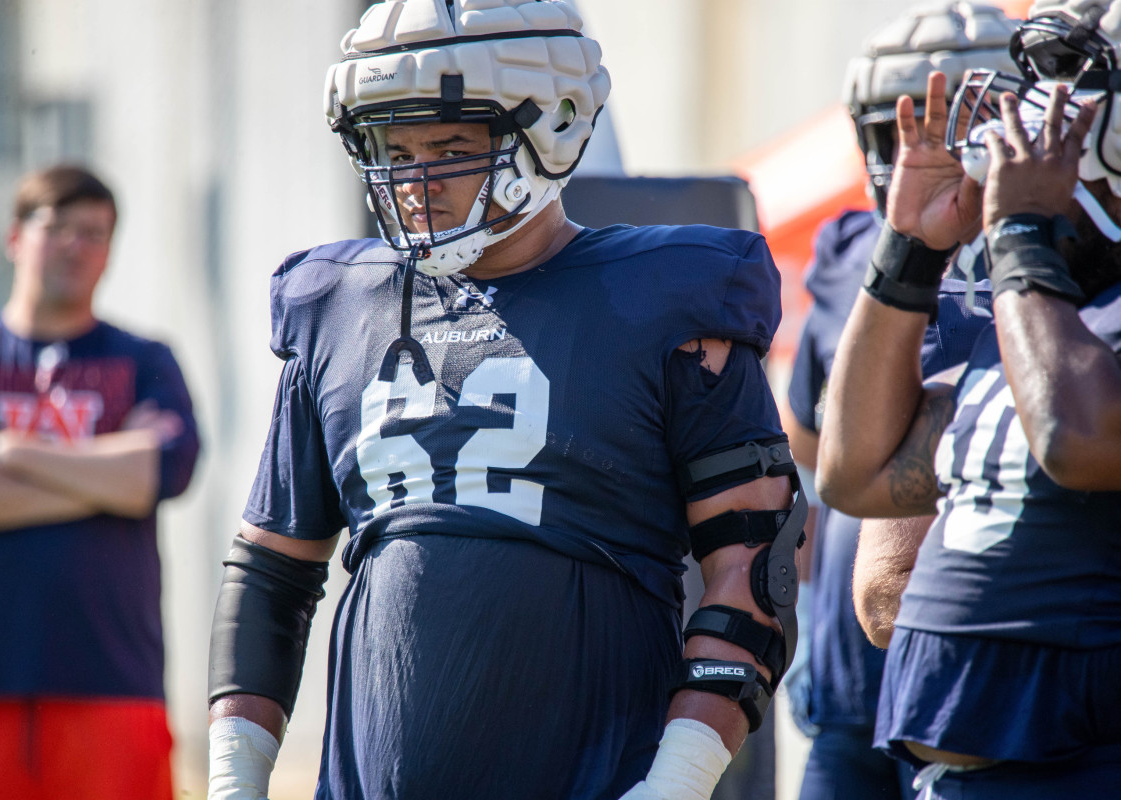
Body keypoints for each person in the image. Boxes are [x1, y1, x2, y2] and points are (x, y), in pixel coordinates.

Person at [205, 1, 807, 799]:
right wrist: (233, 782)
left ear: (553, 124)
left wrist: (677, 783)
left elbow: (755, 569)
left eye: (451, 147)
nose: (415, 180)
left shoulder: (665, 301)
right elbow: (270, 575)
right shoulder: (337, 304)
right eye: (396, 147)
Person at [816, 0, 1121, 796]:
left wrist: (1020, 237)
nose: (1034, 113)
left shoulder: (1041, 298)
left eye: (1070, 88)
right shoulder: (1046, 303)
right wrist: (910, 251)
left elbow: (1076, 438)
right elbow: (853, 472)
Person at [780, 5, 1010, 800]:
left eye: (956, 133)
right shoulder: (852, 252)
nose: (921, 157)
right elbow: (811, 454)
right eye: (894, 133)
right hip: (853, 680)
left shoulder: (1060, 264)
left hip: (990, 683)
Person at [0, 165, 201, 800]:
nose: (76, 245)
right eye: (57, 227)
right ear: (15, 237)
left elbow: (163, 472)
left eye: (95, 233)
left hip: (112, 685)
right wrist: (102, 477)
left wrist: (12, 448)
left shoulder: (143, 361)